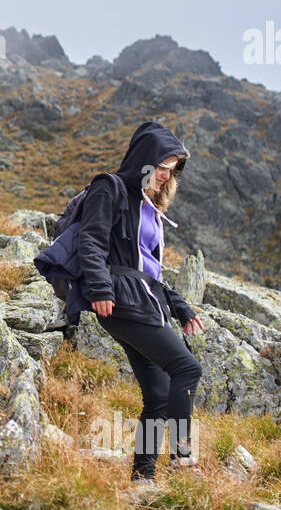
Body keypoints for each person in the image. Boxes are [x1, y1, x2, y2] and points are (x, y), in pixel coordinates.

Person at [77, 120, 205, 482]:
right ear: (145, 160)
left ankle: (141, 480)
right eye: (161, 167)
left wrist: (180, 307)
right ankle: (182, 455)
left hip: (144, 299)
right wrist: (99, 288)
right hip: (121, 298)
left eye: (172, 170)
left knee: (159, 395)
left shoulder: (149, 207)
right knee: (187, 369)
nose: (166, 176)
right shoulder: (110, 187)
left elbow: (152, 270)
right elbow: (92, 240)